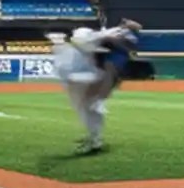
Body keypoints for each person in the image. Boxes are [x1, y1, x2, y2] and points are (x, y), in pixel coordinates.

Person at [49, 19, 147, 155]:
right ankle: (94, 136)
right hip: (85, 76)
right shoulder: (93, 41)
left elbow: (111, 37)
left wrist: (123, 29)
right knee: (86, 108)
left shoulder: (101, 41)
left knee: (88, 106)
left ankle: (95, 137)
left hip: (88, 77)